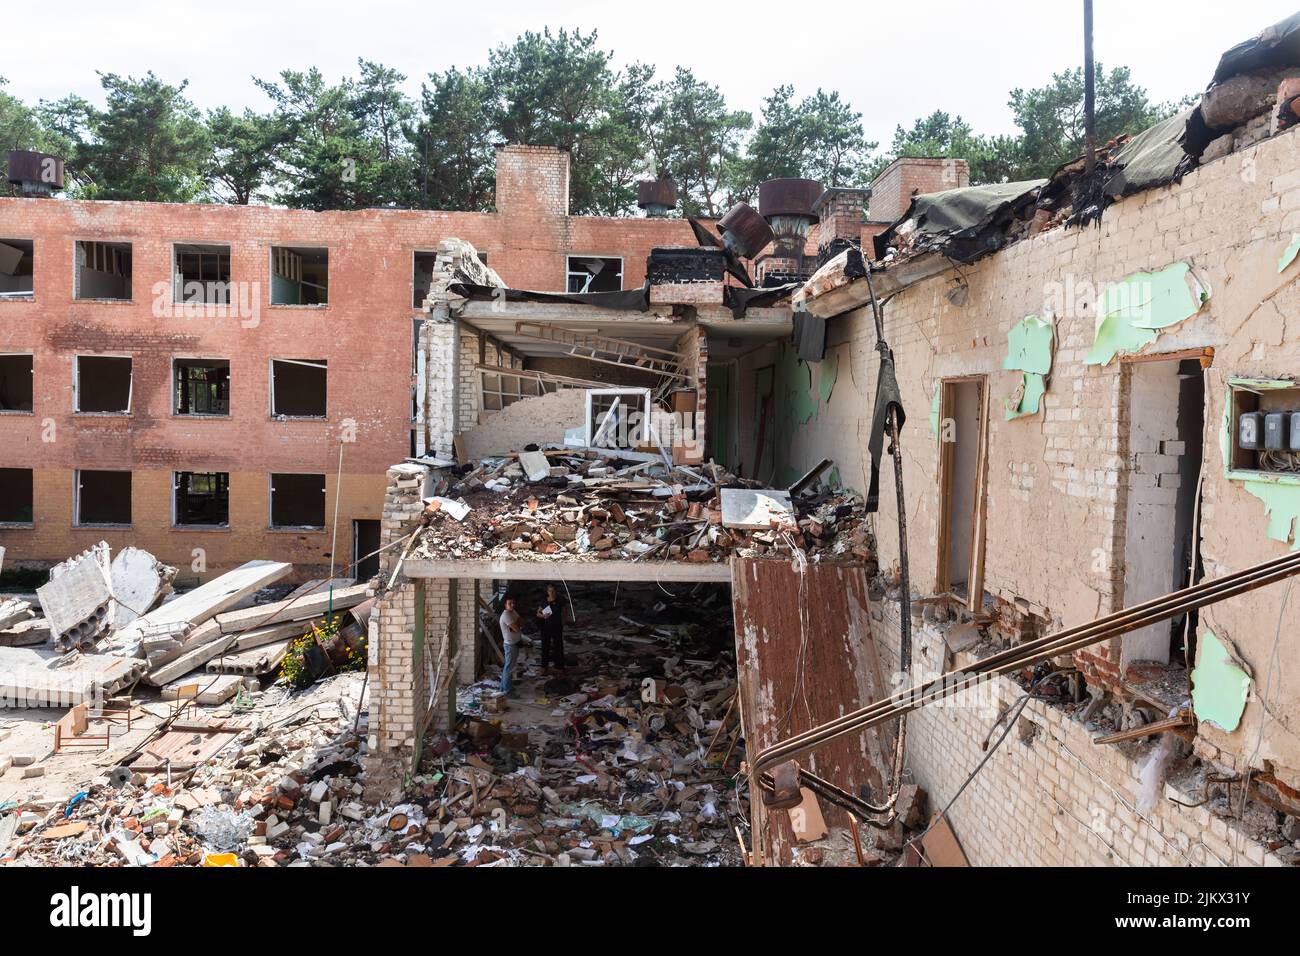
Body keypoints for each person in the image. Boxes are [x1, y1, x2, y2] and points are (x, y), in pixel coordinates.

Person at [535, 583, 568, 673]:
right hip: (546, 627)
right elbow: (538, 613)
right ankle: (544, 666)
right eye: (550, 591)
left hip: (557, 626)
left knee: (558, 646)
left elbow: (565, 612)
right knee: (545, 646)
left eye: (553, 591)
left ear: (556, 591)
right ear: (547, 592)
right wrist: (543, 616)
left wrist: (562, 623)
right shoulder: (544, 600)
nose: (552, 593)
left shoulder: (560, 600)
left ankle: (559, 666)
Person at [498, 595, 524, 696]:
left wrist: (516, 624)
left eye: (513, 603)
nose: (512, 605)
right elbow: (517, 628)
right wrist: (516, 624)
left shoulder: (512, 612)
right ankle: (507, 691)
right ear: (505, 605)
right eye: (509, 603)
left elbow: (522, 621)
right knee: (508, 668)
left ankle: (503, 688)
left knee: (510, 667)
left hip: (515, 643)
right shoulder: (506, 616)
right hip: (510, 645)